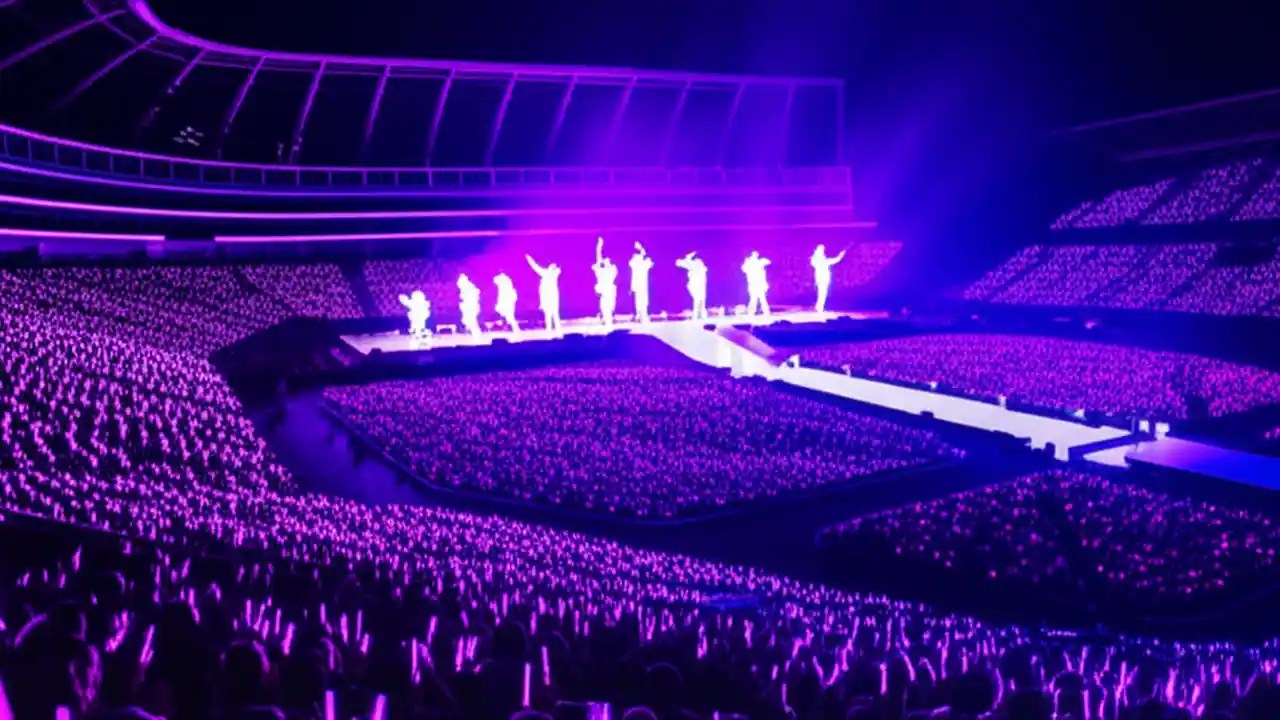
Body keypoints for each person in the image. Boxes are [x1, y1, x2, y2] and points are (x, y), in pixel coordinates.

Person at [525, 254, 562, 331]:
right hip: (552, 295)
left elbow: (535, 266)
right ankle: (555, 328)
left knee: (550, 313)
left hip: (549, 296)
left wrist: (529, 259)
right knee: (553, 313)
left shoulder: (546, 274)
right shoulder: (554, 273)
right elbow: (558, 269)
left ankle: (550, 328)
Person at [811, 244, 846, 313]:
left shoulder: (818, 260)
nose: (823, 251)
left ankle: (819, 306)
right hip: (822, 279)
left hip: (822, 279)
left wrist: (840, 255)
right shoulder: (819, 260)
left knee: (822, 293)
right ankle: (819, 307)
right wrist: (841, 255)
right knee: (822, 293)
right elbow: (835, 260)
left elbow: (835, 260)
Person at [592, 237, 619, 326]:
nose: (605, 261)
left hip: (609, 289)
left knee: (610, 305)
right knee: (604, 305)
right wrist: (599, 246)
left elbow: (604, 263)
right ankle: (605, 317)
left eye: (607, 261)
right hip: (604, 290)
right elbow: (598, 258)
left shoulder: (612, 270)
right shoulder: (601, 270)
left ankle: (609, 317)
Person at [675, 252, 708, 321]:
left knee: (699, 298)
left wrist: (687, 258)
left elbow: (680, 263)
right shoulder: (695, 264)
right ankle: (698, 315)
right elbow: (679, 263)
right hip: (695, 283)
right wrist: (688, 258)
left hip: (698, 283)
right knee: (698, 298)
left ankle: (699, 314)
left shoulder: (698, 264)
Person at [629, 242, 654, 323]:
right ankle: (639, 315)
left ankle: (643, 314)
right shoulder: (634, 263)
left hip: (643, 284)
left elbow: (649, 261)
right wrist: (641, 249)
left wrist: (641, 248)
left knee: (643, 300)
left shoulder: (644, 264)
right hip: (637, 284)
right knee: (638, 300)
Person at [742, 250, 772, 316]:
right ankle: (751, 312)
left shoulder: (760, 262)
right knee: (753, 298)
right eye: (754, 254)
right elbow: (744, 269)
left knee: (762, 298)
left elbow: (768, 261)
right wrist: (747, 262)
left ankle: (765, 311)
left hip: (760, 283)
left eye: (756, 254)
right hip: (753, 283)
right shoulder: (749, 263)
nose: (755, 255)